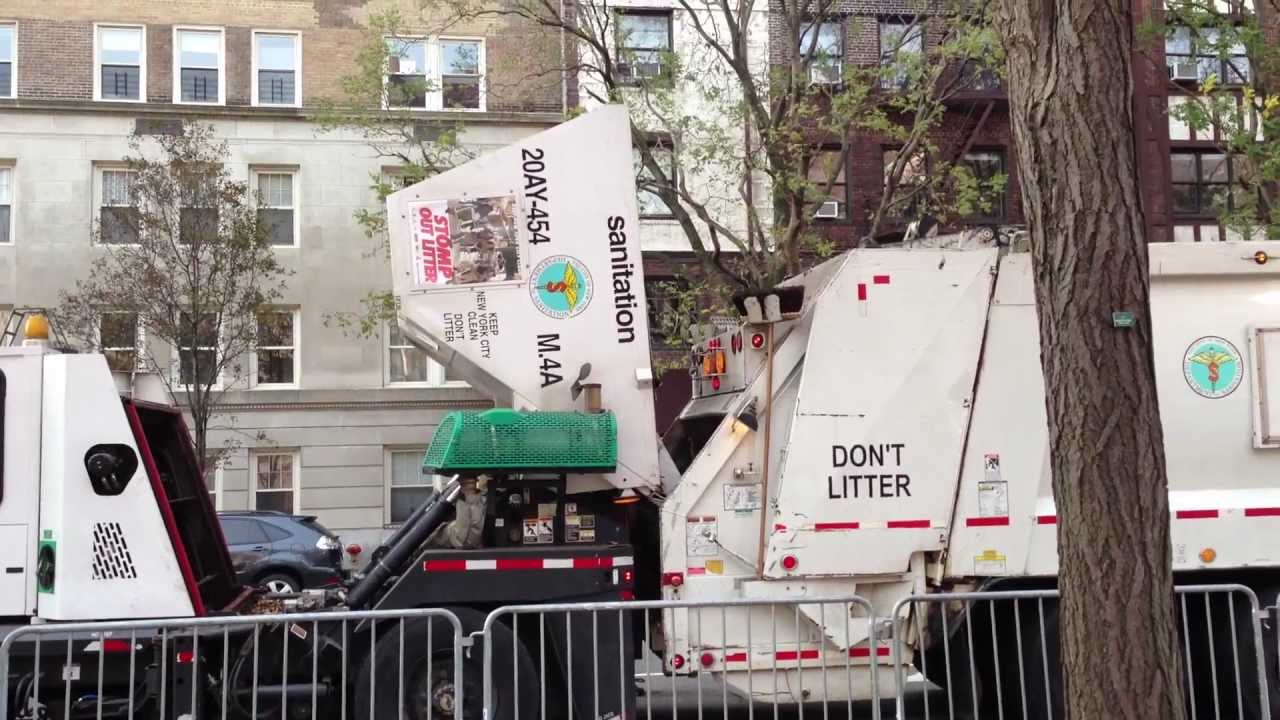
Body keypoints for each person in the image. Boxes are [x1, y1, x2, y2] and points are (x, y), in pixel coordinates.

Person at [424, 474, 490, 549]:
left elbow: (461, 537)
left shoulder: (467, 502)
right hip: (467, 539)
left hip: (461, 539)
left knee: (442, 532)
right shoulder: (477, 500)